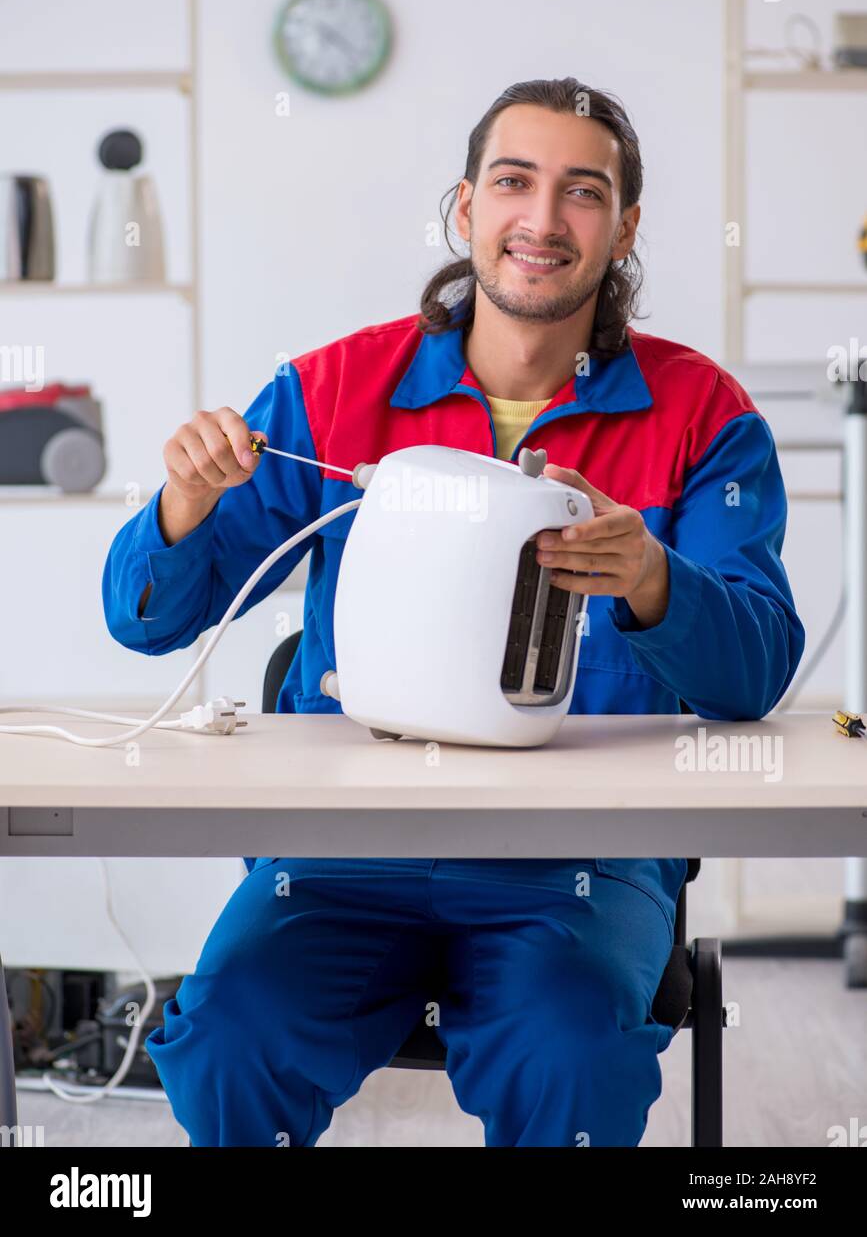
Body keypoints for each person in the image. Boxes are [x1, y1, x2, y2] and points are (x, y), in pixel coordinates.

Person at [102, 77, 805, 1146]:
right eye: (514, 183)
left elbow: (755, 674)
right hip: (340, 854)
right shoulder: (331, 389)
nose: (542, 219)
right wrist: (183, 503)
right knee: (229, 1037)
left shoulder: (703, 416)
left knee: (569, 1055)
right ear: (465, 206)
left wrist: (653, 576)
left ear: (623, 228)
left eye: (583, 192)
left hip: (582, 861)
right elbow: (146, 619)